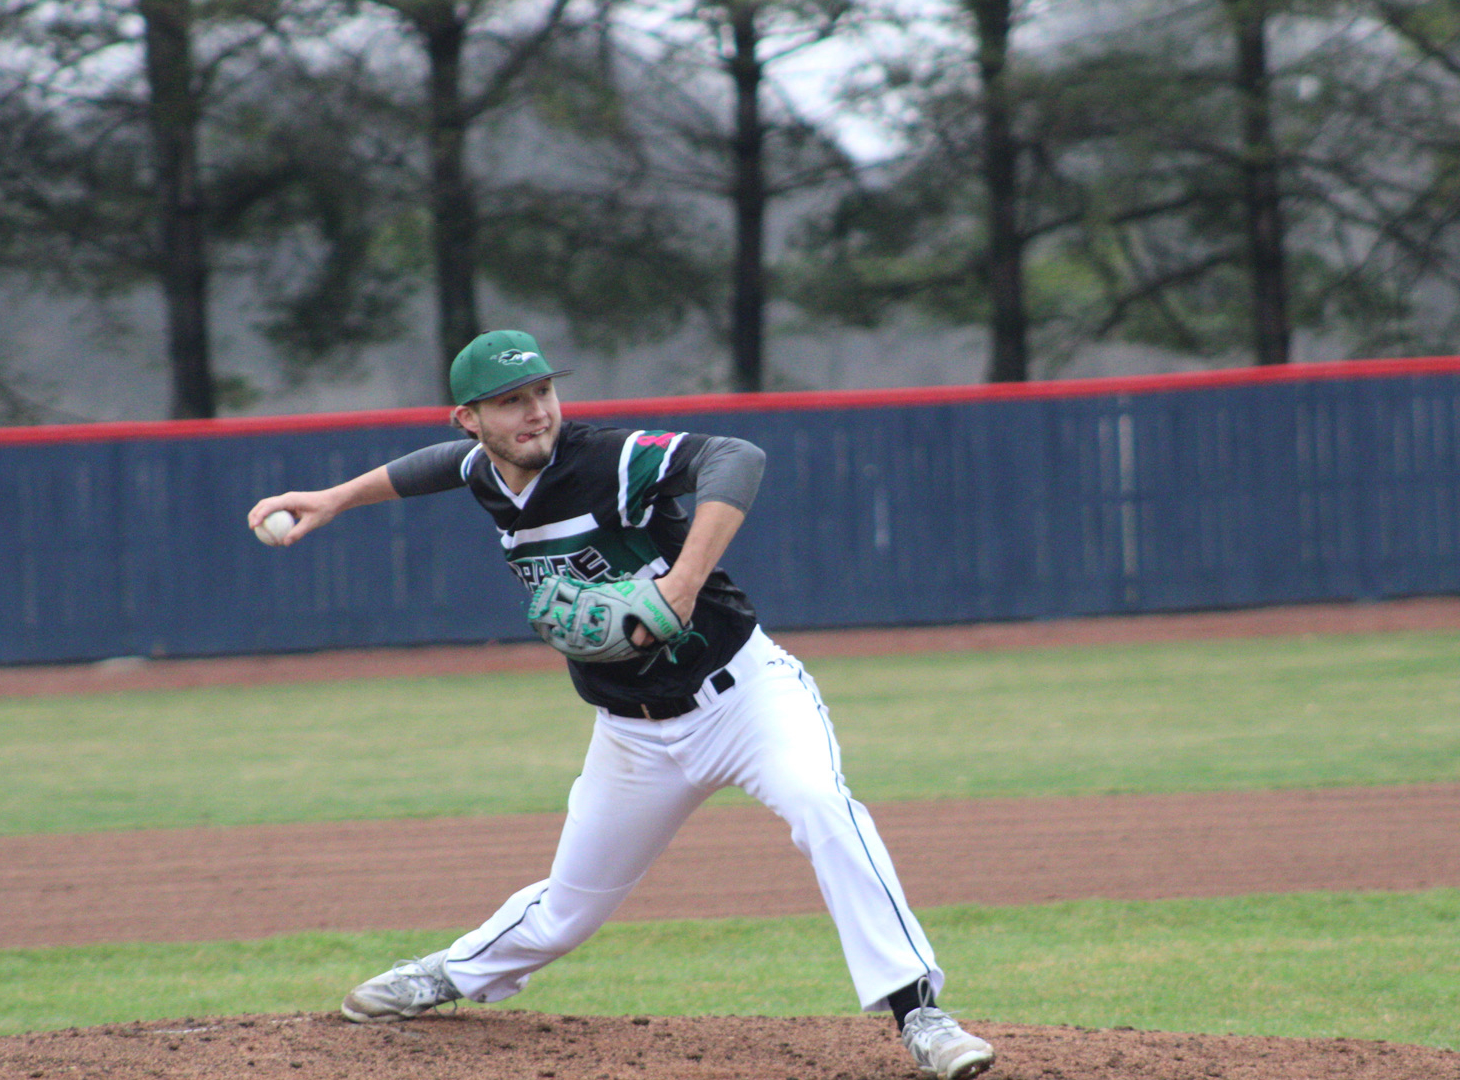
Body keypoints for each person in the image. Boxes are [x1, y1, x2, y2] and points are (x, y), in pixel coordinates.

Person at [246, 330, 995, 1080]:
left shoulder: (609, 459)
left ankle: (920, 1013)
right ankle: (450, 972)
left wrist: (683, 583)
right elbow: (440, 466)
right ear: (469, 418)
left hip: (744, 697)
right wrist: (336, 498)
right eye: (511, 401)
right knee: (570, 906)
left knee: (821, 808)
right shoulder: (486, 472)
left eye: (542, 391)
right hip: (631, 735)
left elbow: (737, 456)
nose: (537, 411)